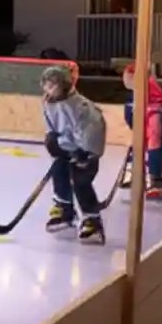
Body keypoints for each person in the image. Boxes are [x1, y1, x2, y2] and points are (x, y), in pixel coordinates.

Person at [40, 66, 108, 245]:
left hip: (84, 151)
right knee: (59, 172)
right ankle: (65, 209)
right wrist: (51, 140)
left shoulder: (81, 107)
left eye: (52, 85)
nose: (49, 89)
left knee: (81, 181)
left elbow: (93, 128)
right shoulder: (48, 103)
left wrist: (88, 151)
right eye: (47, 85)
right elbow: (52, 126)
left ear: (63, 84)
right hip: (67, 148)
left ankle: (92, 220)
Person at [120, 63, 162, 201]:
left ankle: (154, 183)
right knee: (141, 148)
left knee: (151, 148)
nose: (124, 80)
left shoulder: (145, 88)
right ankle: (138, 177)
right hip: (152, 123)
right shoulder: (142, 90)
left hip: (154, 123)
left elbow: (154, 112)